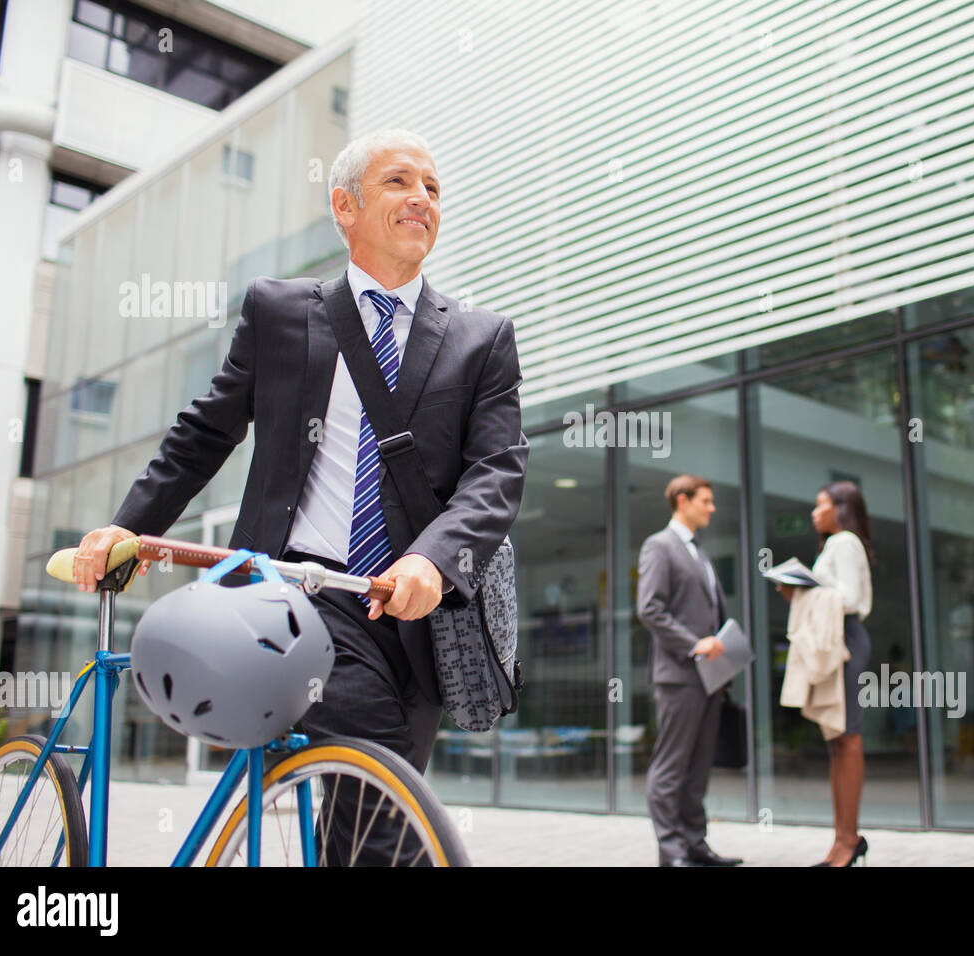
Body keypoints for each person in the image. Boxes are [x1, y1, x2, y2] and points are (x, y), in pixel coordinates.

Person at [72, 128, 529, 864]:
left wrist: (433, 562)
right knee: (386, 812)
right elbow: (203, 435)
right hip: (299, 591)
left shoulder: (483, 339)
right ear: (344, 207)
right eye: (399, 182)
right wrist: (122, 529)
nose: (421, 198)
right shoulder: (282, 313)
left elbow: (497, 471)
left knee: (378, 821)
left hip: (413, 614)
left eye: (434, 188)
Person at [636, 475, 742, 867]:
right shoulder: (659, 546)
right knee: (671, 768)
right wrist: (694, 643)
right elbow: (650, 609)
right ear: (682, 500)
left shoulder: (699, 551)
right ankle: (672, 852)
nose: (712, 508)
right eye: (706, 501)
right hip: (679, 676)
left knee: (697, 769)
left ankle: (695, 844)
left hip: (709, 678)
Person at [778, 480, 873, 866]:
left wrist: (807, 588)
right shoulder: (833, 545)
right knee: (837, 740)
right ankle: (841, 841)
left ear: (841, 509)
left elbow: (848, 598)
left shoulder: (845, 542)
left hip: (845, 640)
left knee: (848, 738)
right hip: (835, 639)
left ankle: (849, 841)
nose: (814, 513)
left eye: (821, 506)